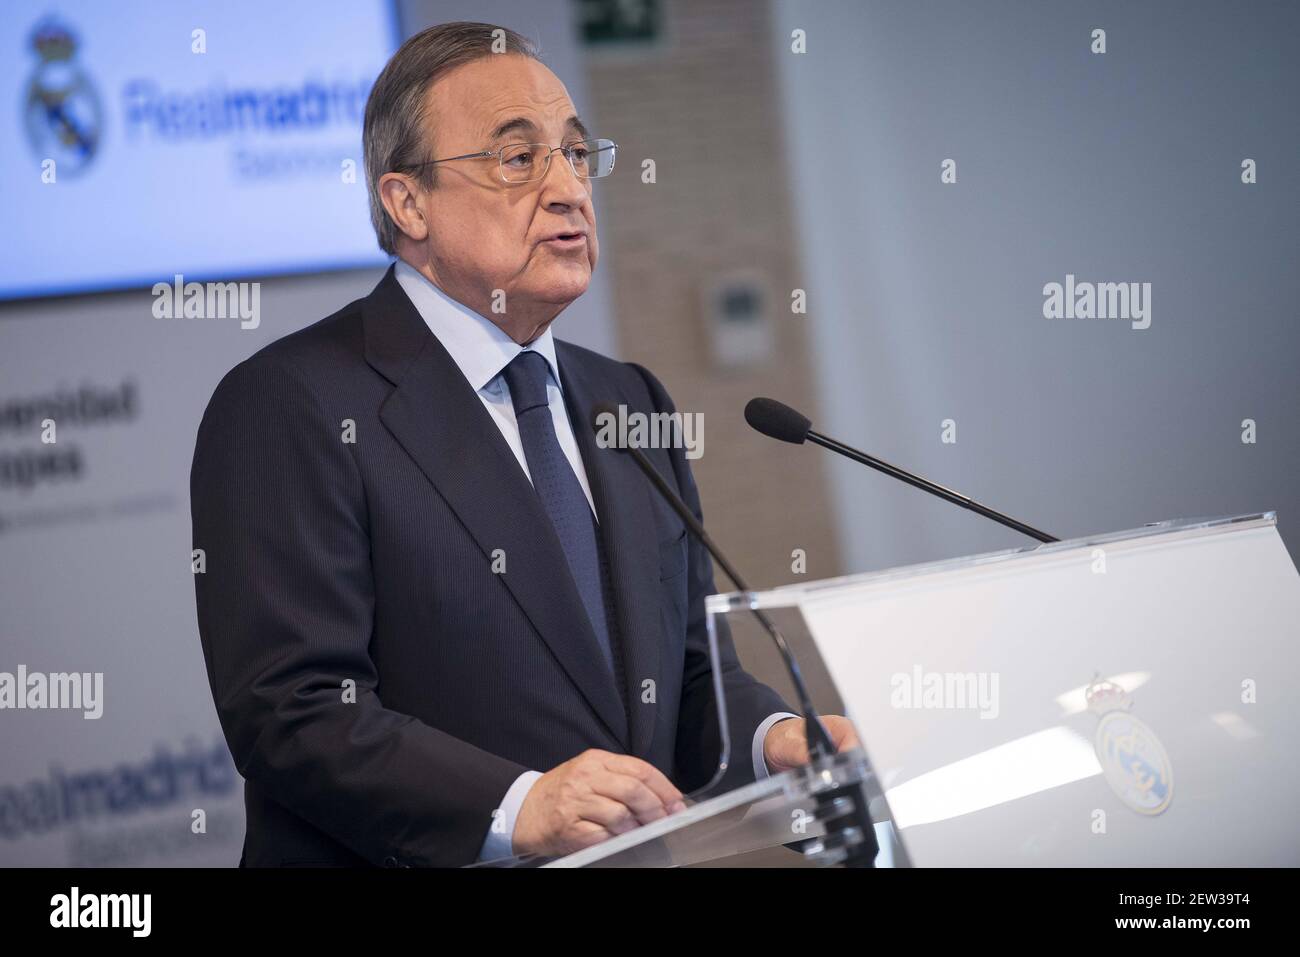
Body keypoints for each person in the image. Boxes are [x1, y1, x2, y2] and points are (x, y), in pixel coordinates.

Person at [190, 21, 858, 868]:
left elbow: (690, 679)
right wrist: (517, 805)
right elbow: (292, 709)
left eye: (578, 156)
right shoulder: (293, 401)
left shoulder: (628, 397)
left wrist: (774, 738)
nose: (568, 188)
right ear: (408, 202)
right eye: (518, 158)